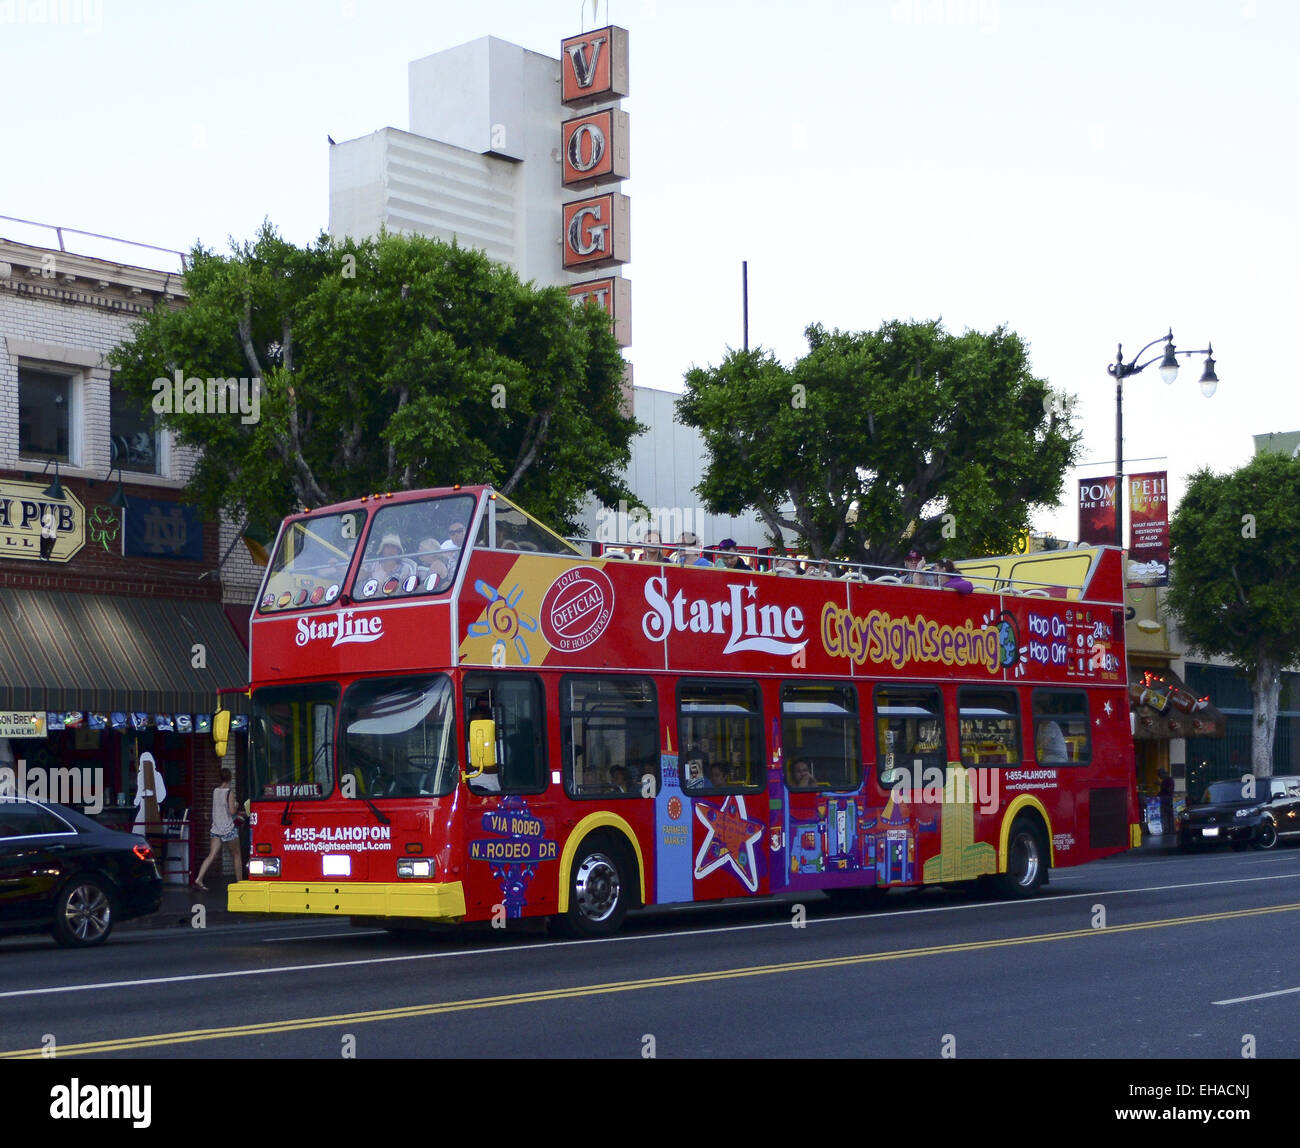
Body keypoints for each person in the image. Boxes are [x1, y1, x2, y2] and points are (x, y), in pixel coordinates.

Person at [194, 767, 241, 891]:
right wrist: (236, 805)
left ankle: (199, 878)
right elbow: (232, 811)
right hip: (228, 828)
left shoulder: (215, 791)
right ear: (230, 778)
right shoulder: (229, 792)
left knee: (211, 854)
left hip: (216, 828)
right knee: (236, 855)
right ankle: (240, 883)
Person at [132, 751, 166, 842]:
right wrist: (136, 802)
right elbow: (139, 791)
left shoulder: (157, 775)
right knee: (138, 830)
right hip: (143, 806)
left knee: (149, 829)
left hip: (153, 807)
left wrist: (152, 794)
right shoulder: (140, 776)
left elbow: (162, 794)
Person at [1158, 767, 1175, 836]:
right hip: (1167, 799)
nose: (1159, 776)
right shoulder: (1168, 780)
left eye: (1159, 775)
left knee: (1167, 815)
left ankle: (1169, 829)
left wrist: (1160, 785)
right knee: (1168, 815)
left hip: (1166, 799)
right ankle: (1169, 829)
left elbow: (1168, 790)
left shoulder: (1168, 780)